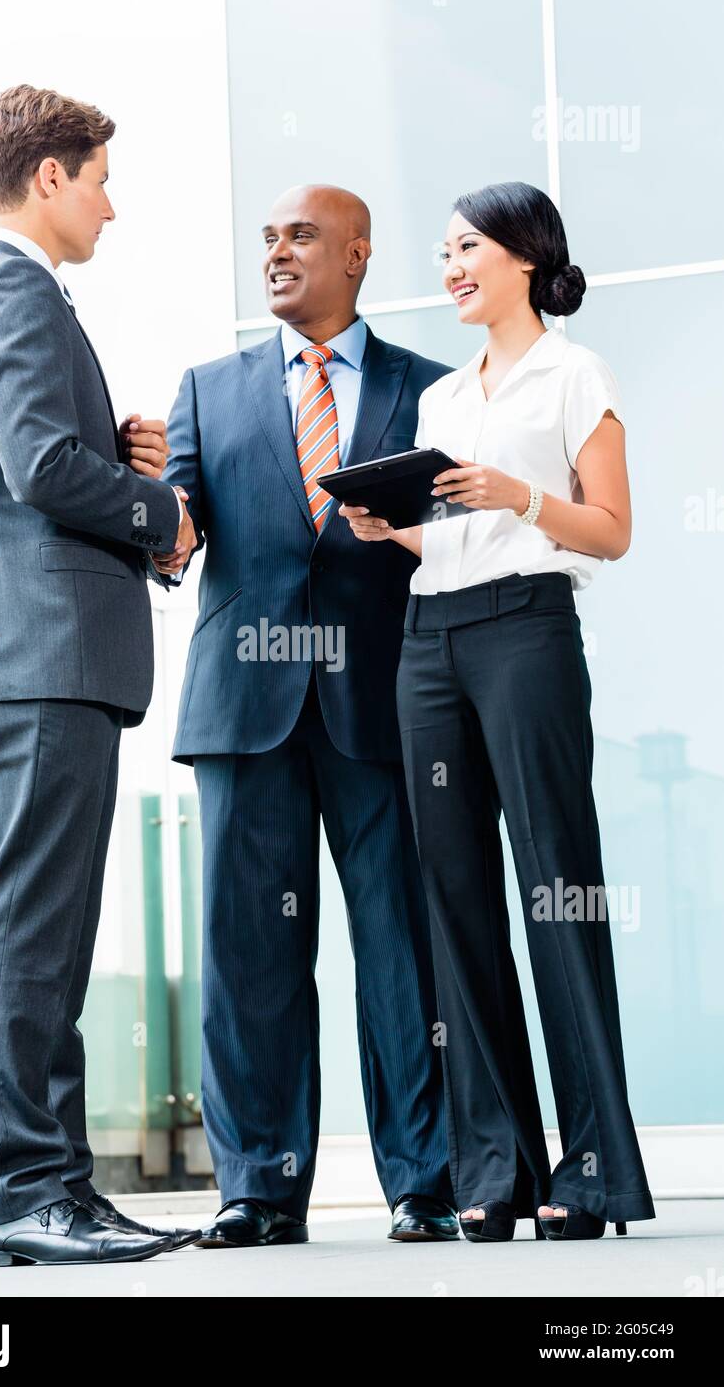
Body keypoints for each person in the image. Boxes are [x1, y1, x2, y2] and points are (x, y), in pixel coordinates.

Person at [340, 181, 656, 1242]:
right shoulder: (439, 401)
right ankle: (495, 1163)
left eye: (465, 247)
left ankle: (596, 1167)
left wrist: (517, 495)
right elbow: (450, 537)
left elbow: (607, 530)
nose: (449, 267)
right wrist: (392, 531)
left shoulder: (574, 374)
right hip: (428, 637)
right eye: (439, 253)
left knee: (553, 886)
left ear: (523, 256)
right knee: (453, 897)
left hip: (527, 630)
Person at [150, 184, 457, 1247]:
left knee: (401, 949)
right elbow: (179, 531)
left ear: (358, 255)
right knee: (250, 957)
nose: (276, 253)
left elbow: (458, 545)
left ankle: (425, 1178)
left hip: (385, 703)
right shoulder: (206, 388)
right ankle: (259, 1186)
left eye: (301, 237)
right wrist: (156, 523)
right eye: (267, 239)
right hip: (245, 708)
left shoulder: (434, 391)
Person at [0, 84, 200, 1265]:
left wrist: (120, 461)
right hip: (41, 653)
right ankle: (22, 1191)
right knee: (29, 924)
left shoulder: (13, 295)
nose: (110, 204)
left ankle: (58, 1187)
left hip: (52, 656)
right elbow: (40, 466)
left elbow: (45, 459)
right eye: (98, 177)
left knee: (51, 929)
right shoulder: (9, 287)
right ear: (49, 176)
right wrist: (159, 506)